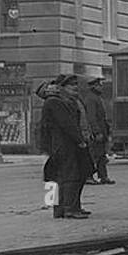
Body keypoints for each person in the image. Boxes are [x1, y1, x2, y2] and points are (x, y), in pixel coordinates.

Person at [41, 75, 94, 219]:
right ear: (61, 88)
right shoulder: (55, 102)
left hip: (61, 144)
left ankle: (62, 209)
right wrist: (80, 140)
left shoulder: (68, 101)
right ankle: (67, 208)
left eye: (76, 85)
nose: (75, 87)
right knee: (68, 176)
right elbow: (67, 124)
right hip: (63, 144)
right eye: (71, 85)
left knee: (63, 176)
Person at [82, 76, 115, 184]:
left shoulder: (96, 98)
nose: (101, 87)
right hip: (97, 132)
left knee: (101, 155)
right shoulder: (91, 99)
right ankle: (88, 176)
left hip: (102, 130)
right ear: (94, 86)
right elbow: (91, 117)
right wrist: (97, 132)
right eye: (99, 85)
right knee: (94, 155)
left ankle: (103, 176)